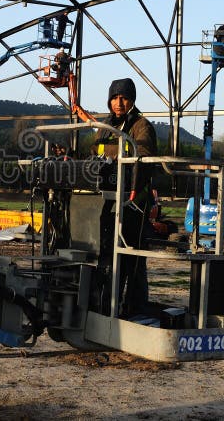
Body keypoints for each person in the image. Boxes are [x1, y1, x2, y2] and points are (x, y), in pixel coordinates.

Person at [92, 78, 157, 318]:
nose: (119, 103)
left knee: (133, 260)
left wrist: (116, 156)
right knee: (107, 256)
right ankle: (106, 307)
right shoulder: (105, 127)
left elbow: (144, 153)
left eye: (124, 98)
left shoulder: (142, 126)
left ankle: (136, 311)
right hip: (107, 199)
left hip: (134, 203)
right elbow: (93, 153)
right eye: (115, 98)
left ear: (132, 100)